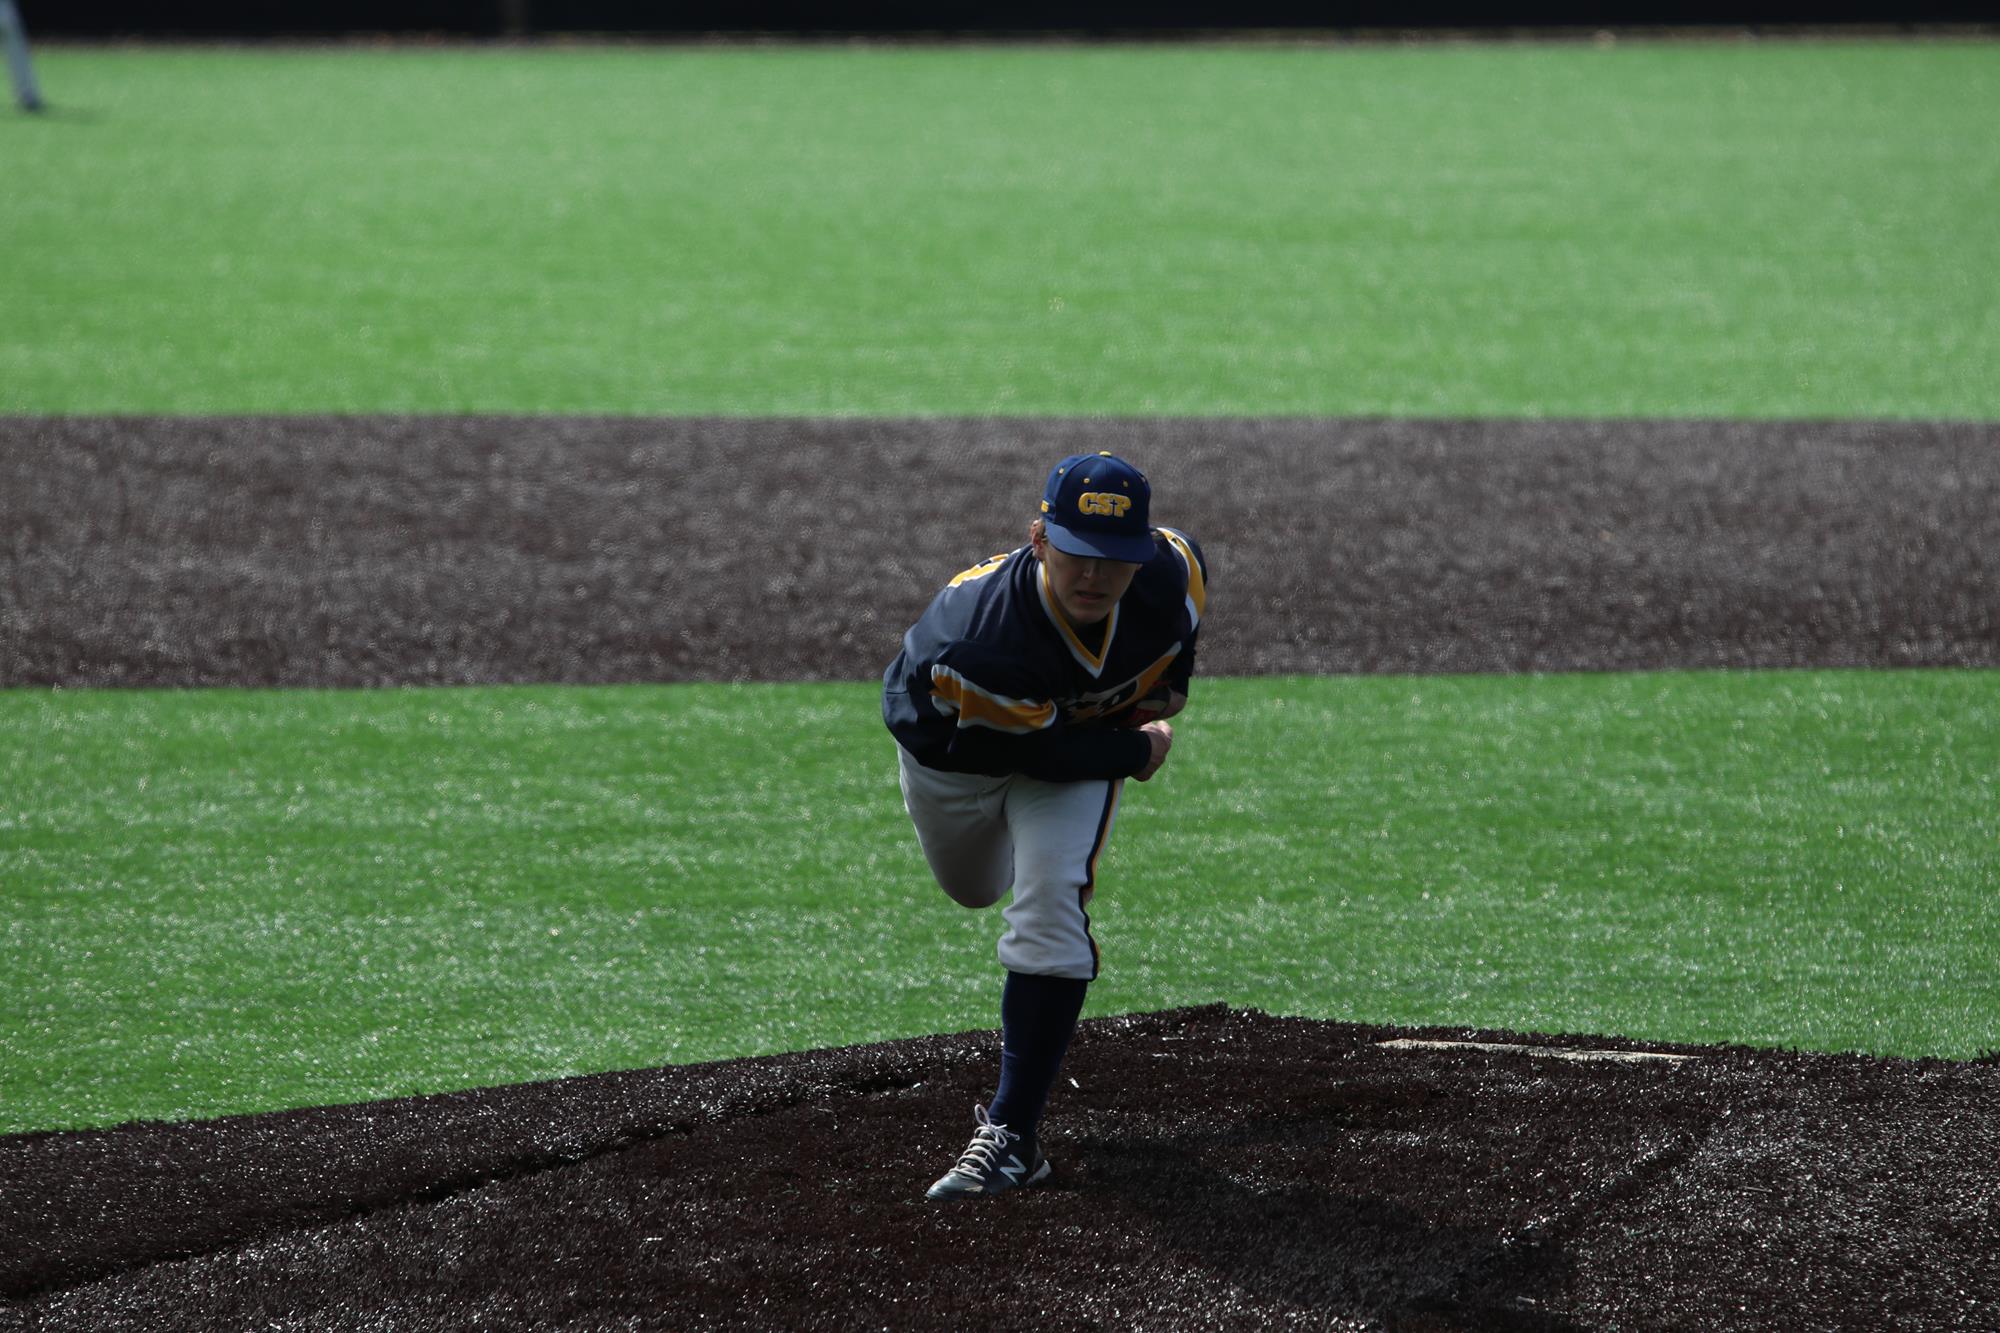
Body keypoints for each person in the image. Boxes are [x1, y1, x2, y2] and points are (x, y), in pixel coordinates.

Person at [882, 451, 1210, 1200]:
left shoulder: (1171, 572)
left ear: (1144, 550)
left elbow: (1179, 637)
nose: (1094, 575)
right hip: (956, 757)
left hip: (1060, 744)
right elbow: (1037, 748)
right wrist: (1138, 747)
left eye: (1115, 557)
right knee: (973, 888)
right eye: (1075, 553)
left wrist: (1169, 691)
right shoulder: (980, 640)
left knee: (1049, 911)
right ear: (1039, 539)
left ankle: (1012, 1135)